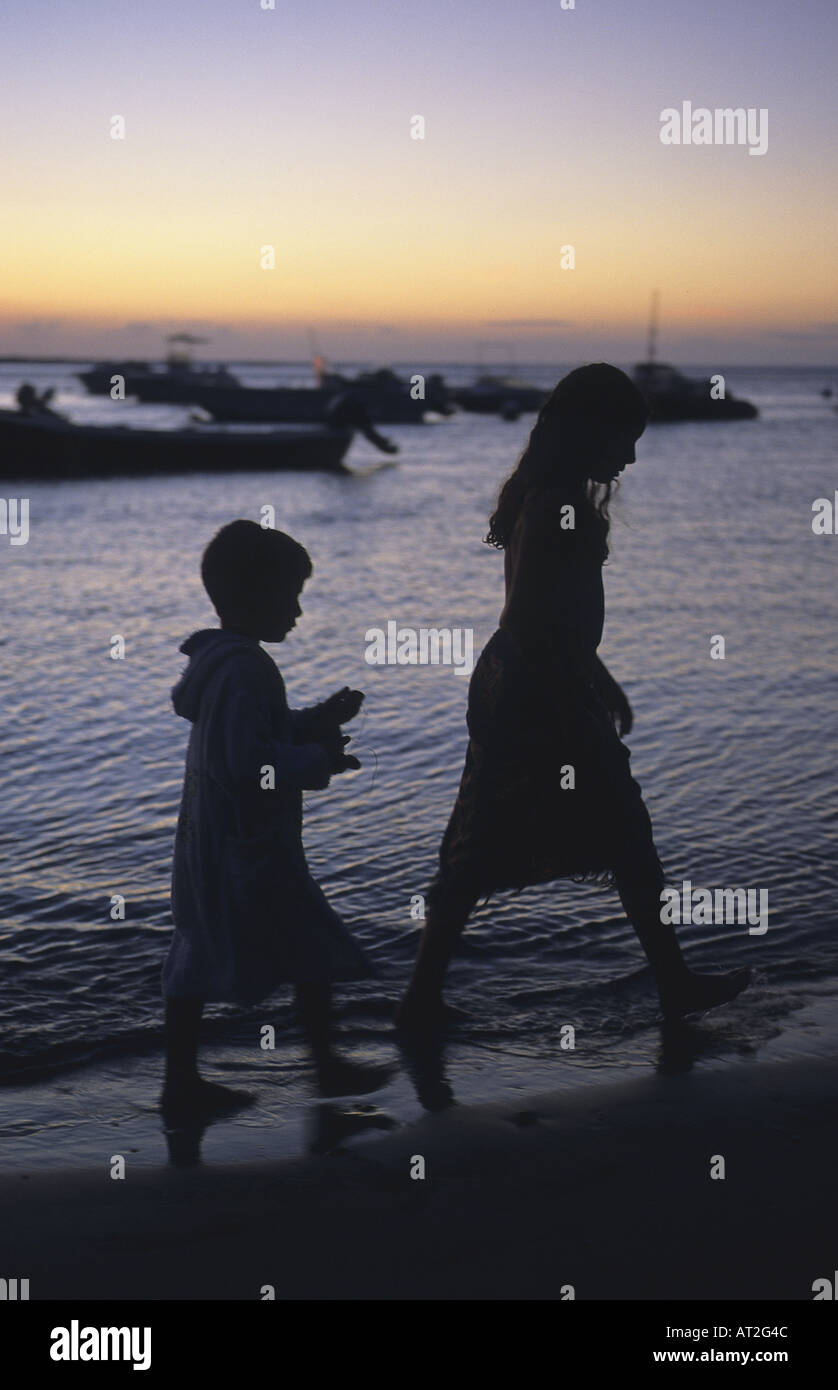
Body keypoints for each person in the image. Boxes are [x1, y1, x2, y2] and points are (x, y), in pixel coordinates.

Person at [396, 363, 751, 1031]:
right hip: (539, 685)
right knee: (606, 831)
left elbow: (555, 614)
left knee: (498, 842)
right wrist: (571, 693)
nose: (632, 454)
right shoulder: (557, 505)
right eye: (625, 437)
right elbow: (529, 618)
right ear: (591, 430)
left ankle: (420, 1000)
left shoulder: (552, 496)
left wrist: (599, 674)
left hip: (535, 679)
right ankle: (671, 984)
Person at [162, 519, 381, 1119]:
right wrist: (317, 759)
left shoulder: (227, 664)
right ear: (254, 596)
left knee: (201, 952)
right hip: (248, 849)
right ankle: (323, 1064)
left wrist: (313, 722)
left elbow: (255, 739)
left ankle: (183, 1082)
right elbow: (245, 765)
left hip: (219, 845)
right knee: (305, 943)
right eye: (290, 597)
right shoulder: (244, 670)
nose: (298, 612)